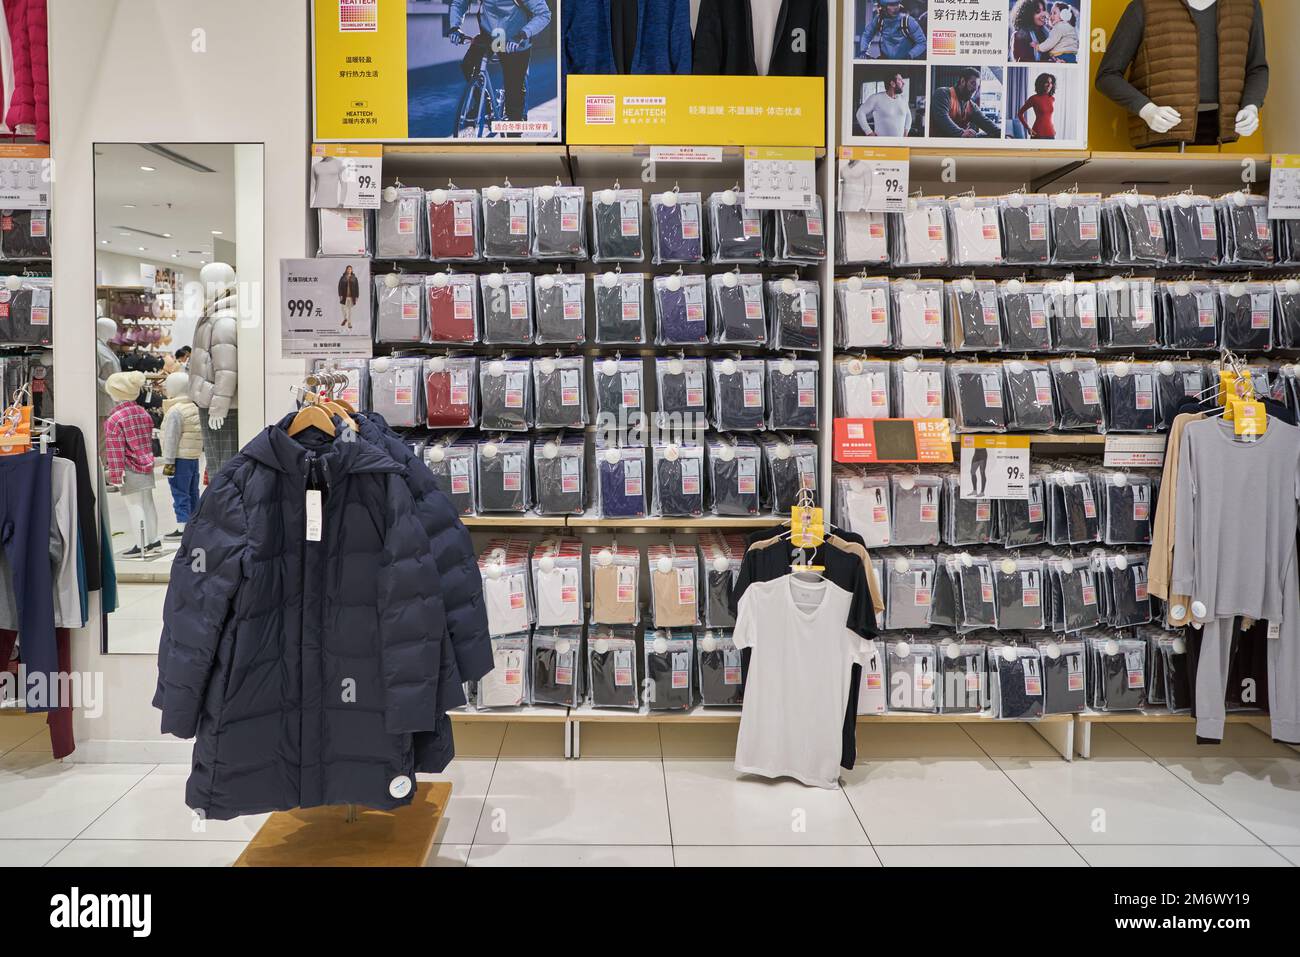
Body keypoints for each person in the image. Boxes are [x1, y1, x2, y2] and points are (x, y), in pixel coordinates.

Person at [449, 0, 553, 126]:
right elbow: (460, 3)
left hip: (516, 39)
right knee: (468, 65)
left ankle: (514, 124)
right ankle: (483, 104)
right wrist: (455, 27)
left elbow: (544, 14)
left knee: (513, 89)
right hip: (491, 35)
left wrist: (522, 34)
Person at [930, 68, 1002, 138]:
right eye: (972, 83)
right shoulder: (943, 94)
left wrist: (1003, 135)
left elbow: (987, 124)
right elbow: (942, 119)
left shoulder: (972, 106)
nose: (975, 88)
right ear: (962, 81)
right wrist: (961, 133)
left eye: (977, 85)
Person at [860, 1, 926, 60]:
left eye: (897, 4)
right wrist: (863, 51)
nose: (895, 7)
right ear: (884, 7)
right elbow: (867, 34)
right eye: (891, 5)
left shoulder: (908, 21)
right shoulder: (879, 20)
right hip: (886, 61)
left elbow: (922, 43)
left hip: (905, 63)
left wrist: (910, 55)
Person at [855, 72, 913, 137]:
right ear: (892, 83)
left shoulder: (903, 99)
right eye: (900, 80)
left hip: (900, 144)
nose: (903, 83)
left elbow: (908, 117)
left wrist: (906, 132)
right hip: (881, 145)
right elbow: (860, 113)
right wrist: (869, 132)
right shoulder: (876, 98)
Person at [1016, 73, 1057, 139]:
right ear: (1041, 83)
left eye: (1051, 83)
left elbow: (1047, 117)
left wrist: (1052, 128)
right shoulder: (1034, 98)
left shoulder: (1052, 99)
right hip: (1038, 134)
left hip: (1051, 134)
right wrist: (1028, 128)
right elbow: (1020, 114)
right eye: (1047, 82)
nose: (1049, 85)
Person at [338, 264, 359, 331]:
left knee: (350, 310)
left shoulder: (354, 278)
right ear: (346, 270)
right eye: (348, 269)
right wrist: (340, 295)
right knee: (343, 308)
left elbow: (357, 287)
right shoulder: (343, 277)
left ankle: (349, 323)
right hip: (344, 296)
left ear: (351, 270)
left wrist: (357, 296)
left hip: (351, 296)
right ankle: (345, 318)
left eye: (350, 269)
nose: (349, 270)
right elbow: (339, 287)